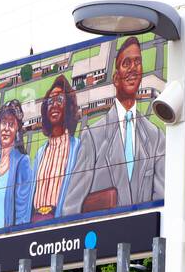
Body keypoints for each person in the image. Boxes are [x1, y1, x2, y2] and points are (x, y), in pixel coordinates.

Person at [65, 36, 165, 213]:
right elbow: (72, 206)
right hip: (104, 237)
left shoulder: (155, 137)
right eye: (126, 63)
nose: (133, 68)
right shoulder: (93, 136)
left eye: (137, 62)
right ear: (115, 78)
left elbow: (163, 201)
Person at [31, 74, 90, 220]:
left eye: (59, 99)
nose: (54, 104)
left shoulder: (77, 148)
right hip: (35, 226)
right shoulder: (40, 154)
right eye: (50, 101)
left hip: (63, 226)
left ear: (69, 106)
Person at [0, 99, 33, 232]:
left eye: (11, 124)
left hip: (11, 240)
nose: (6, 129)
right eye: (3, 123)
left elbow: (22, 211)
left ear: (17, 129)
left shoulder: (22, 162)